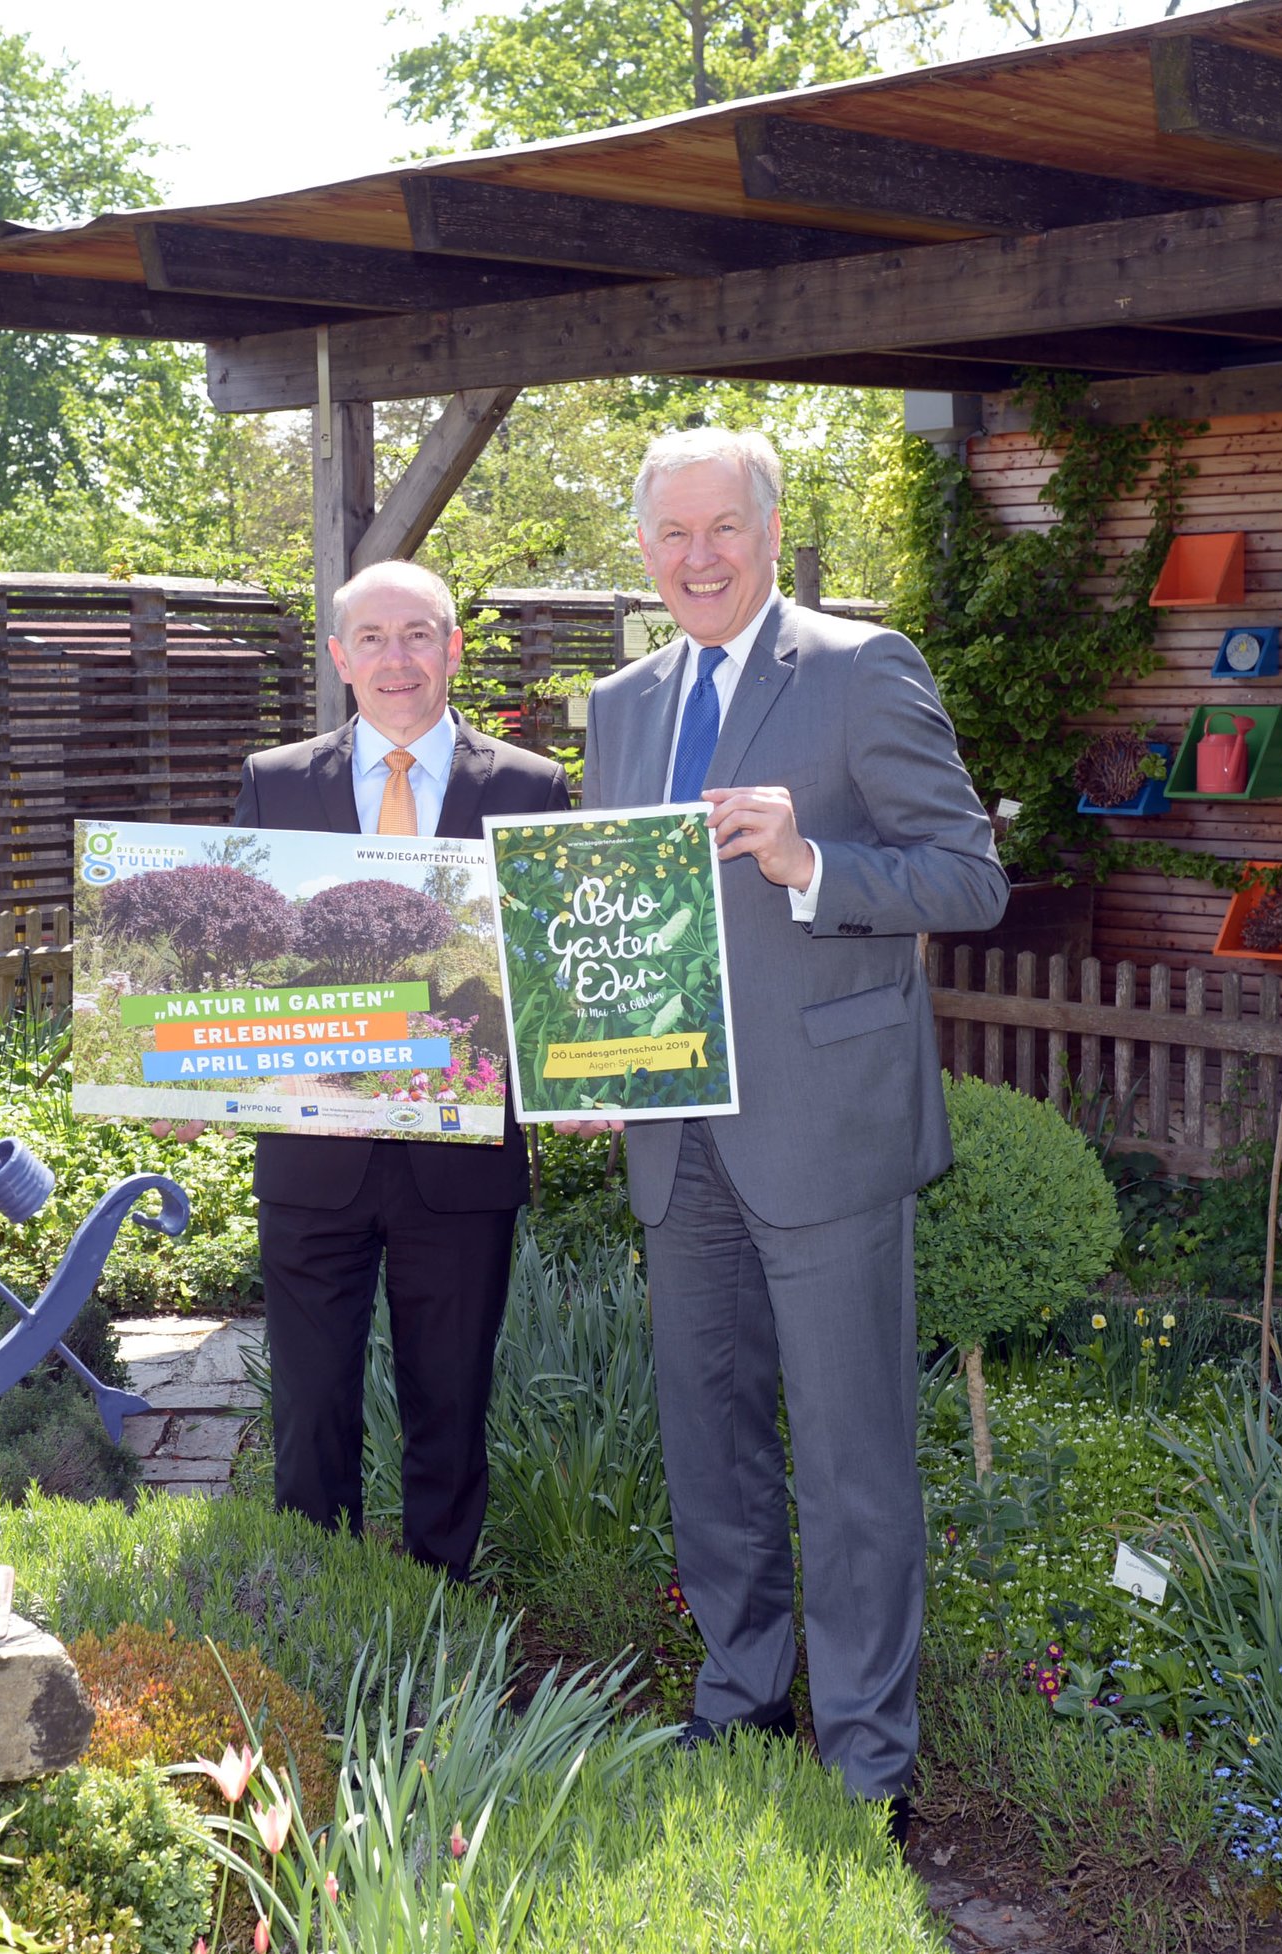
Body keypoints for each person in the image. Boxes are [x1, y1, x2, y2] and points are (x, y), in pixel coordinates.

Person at [574, 427, 1007, 1838]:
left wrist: (811, 857)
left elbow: (968, 877)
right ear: (641, 544)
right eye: (671, 533)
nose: (697, 557)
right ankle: (740, 1699)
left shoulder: (859, 666)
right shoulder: (621, 702)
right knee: (710, 1442)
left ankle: (868, 1757)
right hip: (672, 1127)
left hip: (824, 1125)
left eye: (724, 529)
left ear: (771, 531)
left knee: (850, 1450)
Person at [162, 559, 568, 1583]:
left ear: (452, 648)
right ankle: (322, 1604)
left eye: (418, 634)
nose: (397, 659)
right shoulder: (277, 778)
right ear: (340, 658)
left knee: (450, 1403)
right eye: (373, 639)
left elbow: (554, 962)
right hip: (313, 1152)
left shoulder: (527, 785)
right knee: (308, 1409)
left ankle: (441, 1603)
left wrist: (586, 1074)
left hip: (462, 1157)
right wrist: (177, 1076)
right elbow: (230, 945)